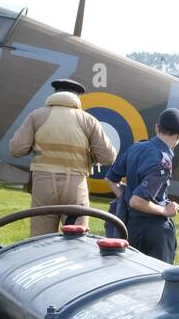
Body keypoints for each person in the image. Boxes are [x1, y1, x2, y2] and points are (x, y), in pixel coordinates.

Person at [9, 85, 115, 235]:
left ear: (55, 93)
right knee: (76, 239)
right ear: (77, 97)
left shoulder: (36, 116)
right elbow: (108, 157)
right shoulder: (88, 120)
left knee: (41, 240)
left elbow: (16, 149)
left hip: (43, 184)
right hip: (75, 185)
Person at [105, 108, 179, 261]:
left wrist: (125, 197)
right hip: (153, 232)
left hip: (128, 226)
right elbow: (137, 201)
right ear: (178, 137)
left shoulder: (136, 148)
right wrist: (165, 210)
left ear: (157, 128)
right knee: (157, 279)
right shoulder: (163, 161)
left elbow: (110, 179)